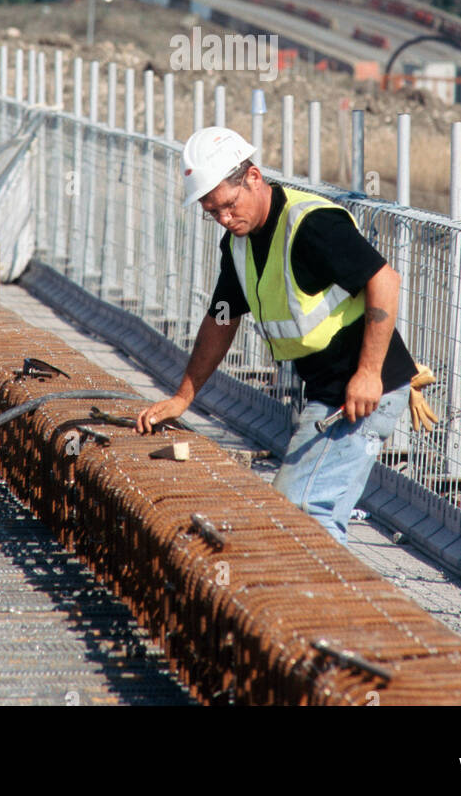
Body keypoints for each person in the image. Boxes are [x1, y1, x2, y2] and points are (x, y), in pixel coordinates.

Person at [136, 126, 419, 545]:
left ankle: (325, 606)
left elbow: (386, 282)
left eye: (229, 206)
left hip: (360, 391)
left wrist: (370, 373)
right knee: (304, 511)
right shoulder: (239, 244)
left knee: (302, 510)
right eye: (213, 213)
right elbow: (221, 317)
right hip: (329, 389)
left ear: (254, 177)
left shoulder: (310, 223)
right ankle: (328, 603)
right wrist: (183, 397)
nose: (225, 219)